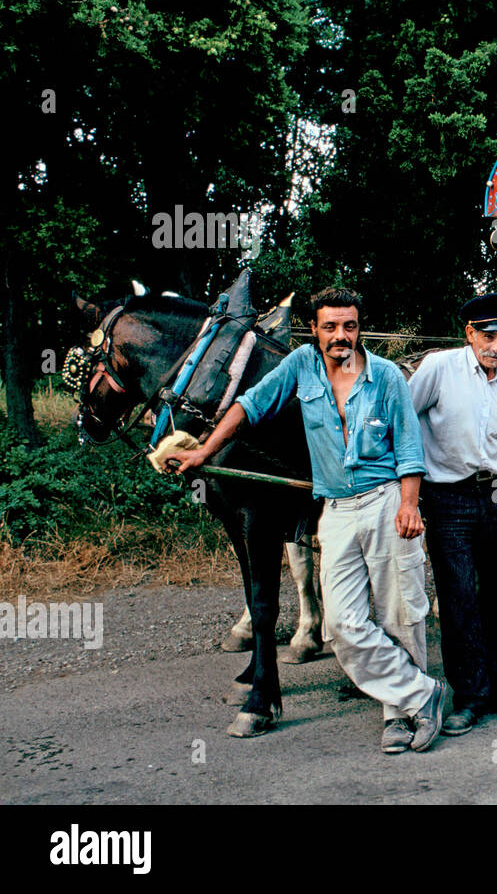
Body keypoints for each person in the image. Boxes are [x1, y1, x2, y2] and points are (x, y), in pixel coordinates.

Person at [163, 287, 446, 754]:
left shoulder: (388, 377)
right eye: (330, 326)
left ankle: (400, 714)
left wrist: (409, 504)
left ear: (359, 328)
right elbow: (248, 406)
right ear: (314, 329)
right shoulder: (299, 365)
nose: (341, 335)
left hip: (384, 501)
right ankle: (423, 693)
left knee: (401, 613)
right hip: (333, 509)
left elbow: (410, 448)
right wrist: (203, 450)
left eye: (349, 326)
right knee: (339, 624)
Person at [408, 292, 497, 736]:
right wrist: (409, 497)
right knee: (459, 597)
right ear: (469, 334)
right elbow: (405, 424)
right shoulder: (438, 369)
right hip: (447, 498)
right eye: (489, 337)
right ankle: (468, 697)